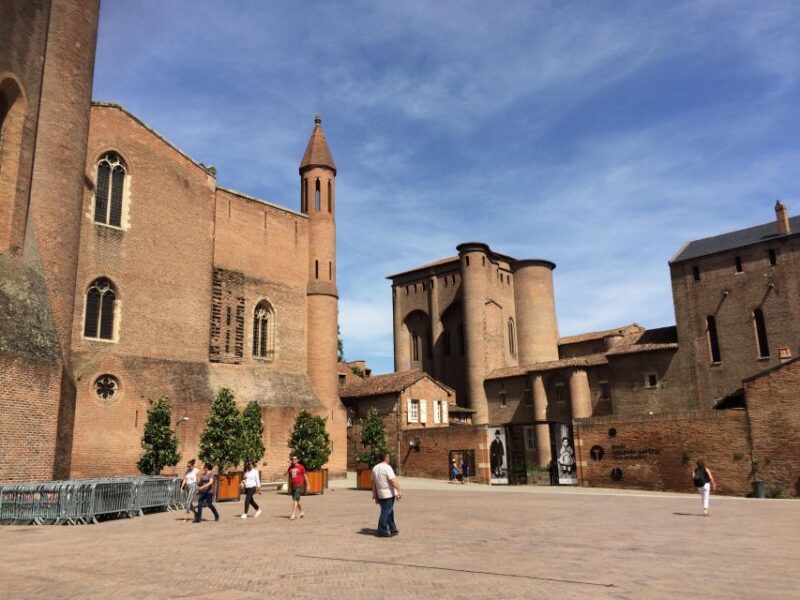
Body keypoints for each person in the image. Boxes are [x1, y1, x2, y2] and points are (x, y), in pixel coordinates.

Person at [372, 453, 401, 537]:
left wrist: (375, 494)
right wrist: (399, 490)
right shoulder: (387, 467)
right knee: (386, 512)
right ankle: (382, 530)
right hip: (388, 493)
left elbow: (373, 483)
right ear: (386, 458)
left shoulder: (375, 468)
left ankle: (393, 529)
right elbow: (393, 480)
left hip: (380, 493)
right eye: (388, 457)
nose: (389, 458)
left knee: (389, 511)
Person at [287, 455, 308, 520]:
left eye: (295, 459)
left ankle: (293, 514)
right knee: (297, 500)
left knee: (295, 499)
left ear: (297, 460)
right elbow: (289, 477)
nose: (293, 460)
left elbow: (305, 476)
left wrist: (308, 485)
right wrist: (289, 486)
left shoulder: (301, 467)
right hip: (293, 485)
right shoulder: (290, 468)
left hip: (299, 485)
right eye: (292, 459)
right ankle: (301, 511)